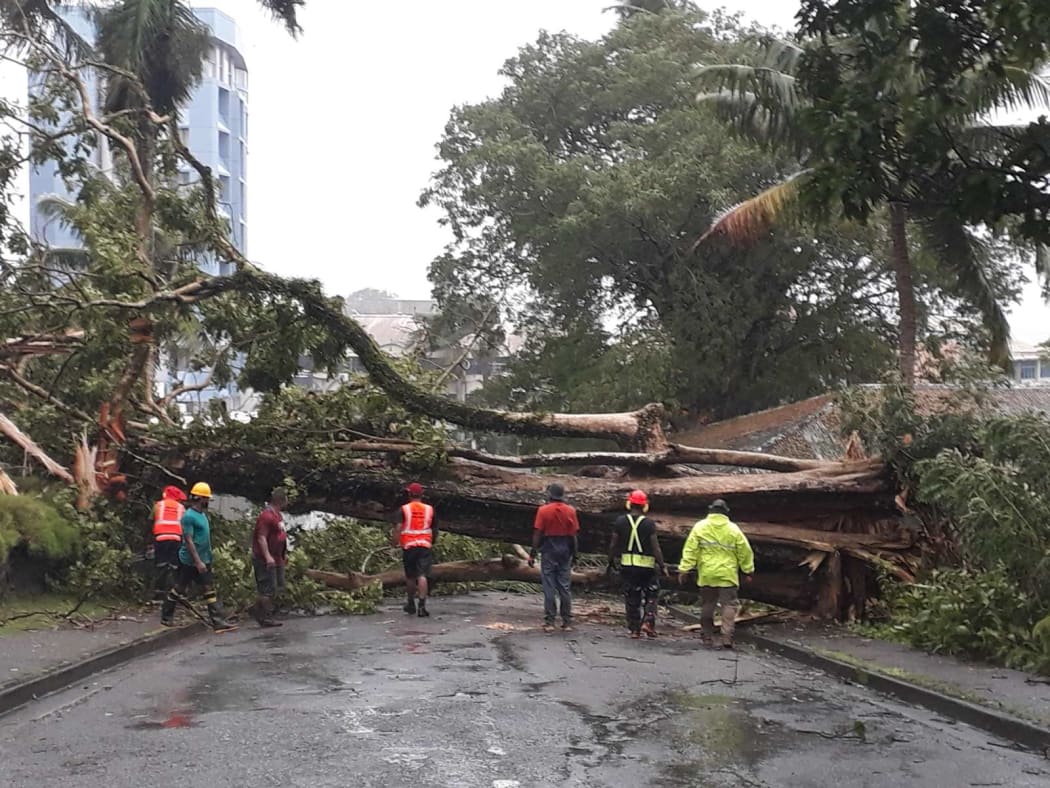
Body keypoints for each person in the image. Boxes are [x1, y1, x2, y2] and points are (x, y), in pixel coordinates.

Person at [160, 481, 237, 633]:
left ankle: (218, 621)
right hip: (190, 561)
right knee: (179, 588)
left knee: (209, 590)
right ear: (200, 498)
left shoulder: (202, 515)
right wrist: (197, 562)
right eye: (206, 498)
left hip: (204, 559)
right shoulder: (189, 517)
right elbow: (189, 540)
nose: (208, 501)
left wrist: (206, 558)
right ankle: (166, 615)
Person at [678, 499, 754, 649]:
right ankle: (726, 637)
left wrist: (684, 568)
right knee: (729, 605)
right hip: (728, 574)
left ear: (711, 511)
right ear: (726, 512)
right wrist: (748, 570)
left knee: (708, 604)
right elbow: (745, 551)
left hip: (707, 573)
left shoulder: (700, 527)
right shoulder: (734, 529)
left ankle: (707, 635)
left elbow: (690, 549)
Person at [607, 489, 667, 639]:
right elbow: (656, 547)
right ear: (645, 506)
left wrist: (610, 560)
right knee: (652, 595)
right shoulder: (649, 524)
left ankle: (634, 630)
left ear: (629, 503)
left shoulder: (620, 521)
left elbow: (613, 544)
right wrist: (662, 565)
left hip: (628, 566)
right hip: (647, 567)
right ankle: (648, 622)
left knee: (632, 597)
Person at [529, 483, 579, 632]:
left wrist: (532, 553)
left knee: (549, 585)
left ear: (550, 495)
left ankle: (550, 622)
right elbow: (574, 536)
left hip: (549, 549)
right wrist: (575, 554)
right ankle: (567, 622)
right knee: (564, 586)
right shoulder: (571, 511)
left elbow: (538, 533)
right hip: (565, 549)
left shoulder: (543, 511)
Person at [393, 482, 437, 617]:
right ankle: (422, 607)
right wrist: (432, 541)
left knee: (411, 576)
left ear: (409, 494)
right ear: (422, 495)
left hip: (409, 546)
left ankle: (411, 603)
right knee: (422, 575)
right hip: (424, 545)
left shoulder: (404, 509)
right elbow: (434, 529)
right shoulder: (430, 509)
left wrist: (395, 541)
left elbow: (399, 527)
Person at [249, 487, 289, 628]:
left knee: (278, 585)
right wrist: (267, 557)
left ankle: (255, 610)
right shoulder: (266, 516)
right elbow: (261, 538)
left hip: (278, 557)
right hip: (265, 558)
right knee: (267, 588)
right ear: (281, 500)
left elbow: (280, 536)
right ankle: (265, 616)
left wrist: (284, 554)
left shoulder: (278, 515)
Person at [151, 485, 187, 603]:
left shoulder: (158, 505)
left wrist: (150, 542)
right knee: (175, 567)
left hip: (161, 538)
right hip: (176, 539)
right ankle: (175, 594)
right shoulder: (181, 508)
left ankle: (158, 595)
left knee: (161, 565)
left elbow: (151, 521)